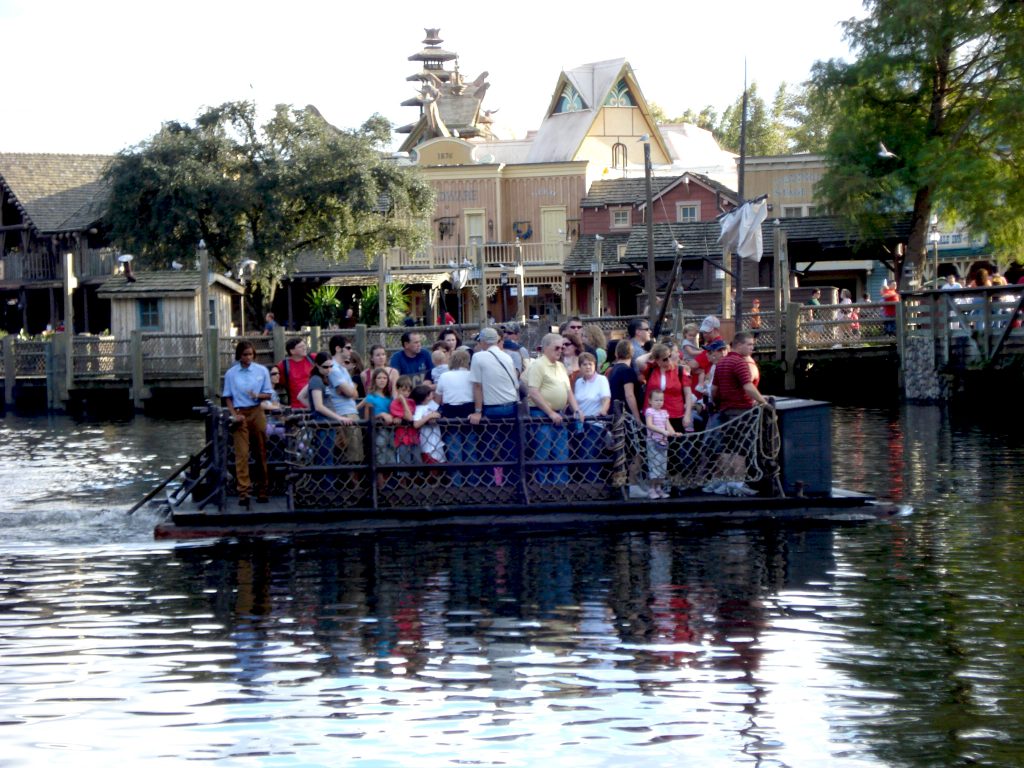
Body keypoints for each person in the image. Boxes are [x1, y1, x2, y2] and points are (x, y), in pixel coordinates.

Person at [526, 333, 583, 485]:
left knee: (561, 453)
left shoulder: (561, 366)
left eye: (562, 348)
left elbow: (568, 391)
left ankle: (561, 487)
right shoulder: (538, 365)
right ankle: (543, 488)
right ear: (545, 348)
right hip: (541, 415)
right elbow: (533, 392)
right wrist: (550, 413)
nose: (560, 351)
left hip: (558, 414)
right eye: (557, 348)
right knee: (543, 453)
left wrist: (576, 409)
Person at [223, 341, 274, 508]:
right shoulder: (231, 374)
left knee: (260, 451)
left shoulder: (262, 370)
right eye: (245, 354)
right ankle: (243, 491)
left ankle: (262, 489)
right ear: (239, 355)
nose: (248, 357)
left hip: (256, 410)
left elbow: (269, 394)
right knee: (242, 453)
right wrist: (234, 414)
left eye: (251, 354)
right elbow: (227, 397)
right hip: (240, 412)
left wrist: (257, 395)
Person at [469, 327, 521, 486]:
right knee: (510, 446)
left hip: (492, 408)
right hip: (511, 405)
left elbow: (477, 386)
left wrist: (477, 411)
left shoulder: (478, 357)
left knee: (488, 446)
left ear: (483, 341)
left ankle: (488, 482)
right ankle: (512, 481)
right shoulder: (507, 357)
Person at [435, 348, 476, 485]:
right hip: (469, 410)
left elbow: (438, 398)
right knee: (471, 446)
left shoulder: (444, 376)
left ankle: (456, 482)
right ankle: (472, 482)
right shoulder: (471, 375)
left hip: (450, 412)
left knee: (454, 447)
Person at [574, 352, 611, 482]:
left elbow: (606, 398)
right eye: (584, 364)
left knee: (588, 453)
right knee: (580, 454)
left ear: (595, 365)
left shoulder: (601, 379)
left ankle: (593, 484)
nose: (588, 367)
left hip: (595, 423)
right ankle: (586, 484)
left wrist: (603, 411)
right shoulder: (578, 382)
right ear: (580, 367)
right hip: (580, 424)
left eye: (590, 364)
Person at [326, 335, 363, 463]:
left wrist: (349, 391)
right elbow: (350, 392)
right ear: (338, 349)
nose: (351, 351)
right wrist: (349, 391)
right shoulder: (333, 368)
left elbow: (355, 394)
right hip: (344, 415)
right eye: (348, 348)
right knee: (351, 458)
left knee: (355, 456)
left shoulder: (342, 368)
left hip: (350, 413)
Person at [645, 388, 678, 500]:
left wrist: (674, 433)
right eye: (656, 400)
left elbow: (668, 426)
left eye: (661, 400)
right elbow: (649, 425)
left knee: (662, 466)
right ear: (650, 401)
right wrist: (662, 431)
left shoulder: (664, 413)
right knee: (654, 465)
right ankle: (652, 488)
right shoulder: (650, 411)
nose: (659, 402)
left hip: (663, 442)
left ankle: (659, 488)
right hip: (653, 441)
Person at [607, 339, 642, 422]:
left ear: (616, 353)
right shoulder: (627, 370)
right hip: (625, 415)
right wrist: (637, 418)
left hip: (614, 413)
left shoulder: (612, 369)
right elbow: (629, 395)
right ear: (632, 353)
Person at [389, 375, 420, 465]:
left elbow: (412, 417)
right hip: (402, 439)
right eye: (403, 390)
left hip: (414, 437)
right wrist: (403, 401)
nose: (406, 393)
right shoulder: (394, 404)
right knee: (404, 464)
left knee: (418, 462)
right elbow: (409, 418)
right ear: (397, 389)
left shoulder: (412, 402)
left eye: (408, 391)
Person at [277, 338, 315, 409]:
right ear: (292, 351)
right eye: (300, 347)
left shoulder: (313, 358)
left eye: (304, 345)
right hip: (296, 406)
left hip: (316, 402)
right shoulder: (284, 365)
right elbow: (276, 379)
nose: (304, 348)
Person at [411, 384, 444, 465]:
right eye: (429, 393)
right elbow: (416, 424)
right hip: (427, 445)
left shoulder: (430, 405)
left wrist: (435, 415)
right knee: (432, 466)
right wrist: (428, 417)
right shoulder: (419, 409)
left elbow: (437, 412)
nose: (432, 394)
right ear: (425, 397)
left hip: (436, 441)